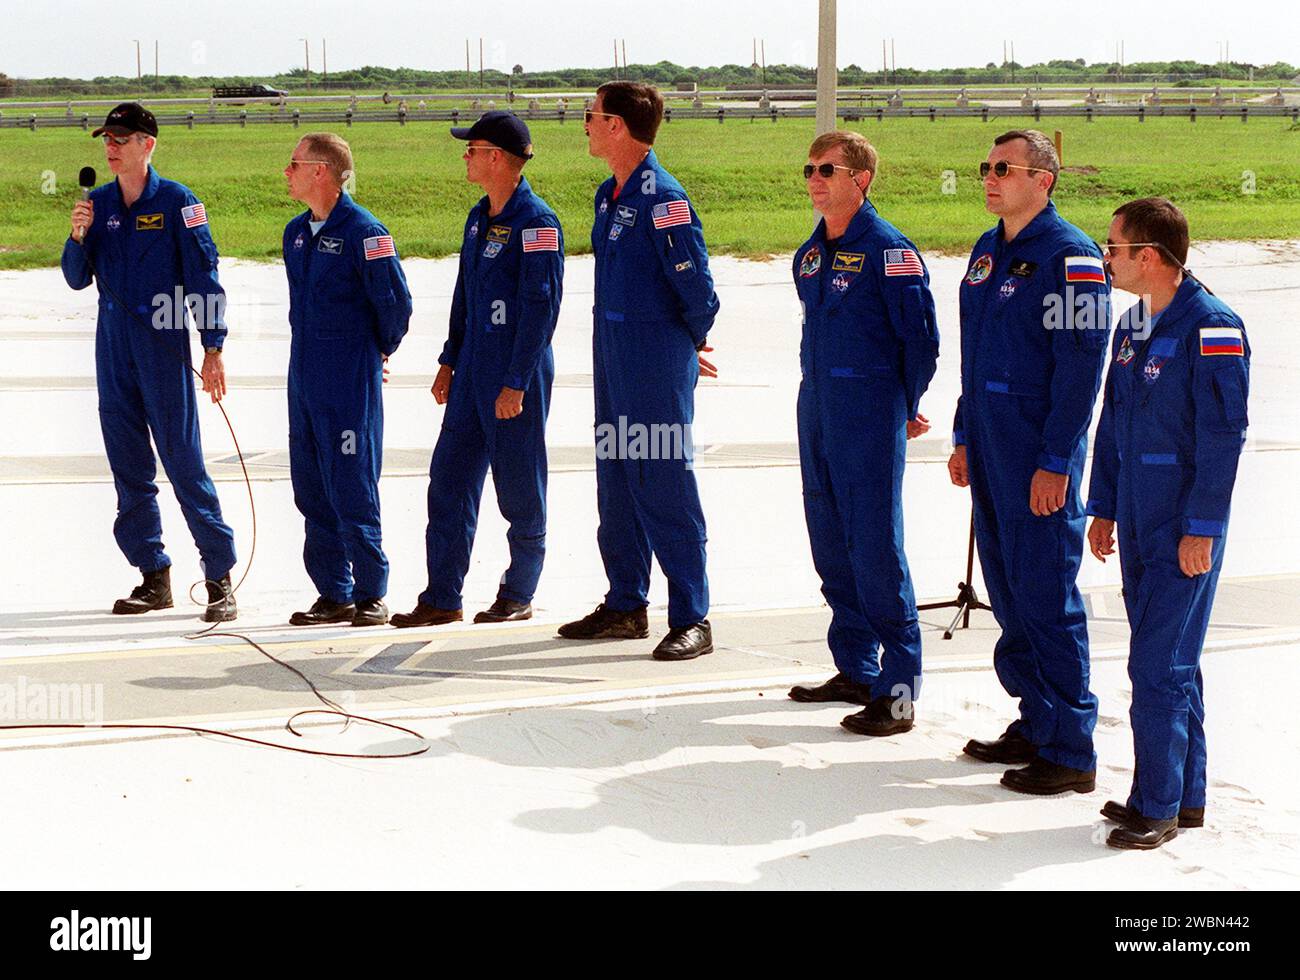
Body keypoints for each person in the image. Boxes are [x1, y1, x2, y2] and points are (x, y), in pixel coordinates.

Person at [947, 130, 1111, 794]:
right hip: (990, 442)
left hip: (1037, 450)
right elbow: (975, 351)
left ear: (1043, 180)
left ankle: (1072, 749)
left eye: (1004, 168)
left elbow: (1081, 368)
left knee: (1045, 596)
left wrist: (1056, 460)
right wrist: (964, 433)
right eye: (986, 167)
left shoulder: (1072, 257)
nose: (990, 177)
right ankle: (1037, 719)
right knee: (1009, 594)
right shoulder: (988, 250)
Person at [1086, 198, 1249, 849]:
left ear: (1148, 256)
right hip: (1136, 517)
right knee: (1173, 663)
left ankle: (1156, 806)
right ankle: (1185, 796)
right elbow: (1113, 423)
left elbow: (1223, 437)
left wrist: (1202, 528)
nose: (1106, 258)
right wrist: (1103, 506)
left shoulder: (1213, 327)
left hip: (1183, 525)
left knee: (1156, 666)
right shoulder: (1132, 325)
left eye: (1114, 247)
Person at [557, 81, 720, 661]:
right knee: (618, 480)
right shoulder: (609, 194)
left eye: (592, 114)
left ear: (617, 125)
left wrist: (682, 346)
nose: (585, 123)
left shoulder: (664, 198)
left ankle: (692, 615)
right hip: (614, 358)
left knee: (664, 481)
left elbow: (697, 289)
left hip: (652, 362)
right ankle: (626, 603)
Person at [785, 131, 939, 737]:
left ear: (861, 178)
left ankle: (898, 693)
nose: (815, 180)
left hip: (868, 410)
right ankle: (855, 667)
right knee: (829, 541)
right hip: (817, 407)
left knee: (875, 548)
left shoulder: (890, 251)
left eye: (828, 170)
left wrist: (905, 403)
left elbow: (920, 342)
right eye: (809, 169)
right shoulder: (810, 253)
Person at [61, 102, 237, 622]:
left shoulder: (179, 202)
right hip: (113, 348)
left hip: (162, 346)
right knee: (128, 465)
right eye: (107, 140)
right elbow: (76, 278)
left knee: (183, 462)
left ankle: (219, 576)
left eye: (121, 139)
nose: (111, 148)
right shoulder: (97, 203)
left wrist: (213, 347)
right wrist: (77, 235)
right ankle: (152, 574)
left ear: (148, 145)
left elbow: (204, 278)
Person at [392, 112, 564, 628]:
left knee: (518, 486)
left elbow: (540, 310)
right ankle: (442, 596)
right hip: (470, 370)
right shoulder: (477, 217)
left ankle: (519, 591)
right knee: (448, 482)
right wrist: (449, 359)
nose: (465, 156)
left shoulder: (538, 223)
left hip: (514, 373)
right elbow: (464, 295)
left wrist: (516, 382)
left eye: (473, 149)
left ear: (498, 158)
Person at [281, 133, 412, 628]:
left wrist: (376, 350)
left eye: (294, 163)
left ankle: (370, 591)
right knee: (311, 486)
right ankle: (334, 592)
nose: (287, 172)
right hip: (304, 377)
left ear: (321, 171)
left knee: (352, 484)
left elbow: (395, 305)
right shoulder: (296, 233)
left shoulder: (365, 232)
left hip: (348, 380)